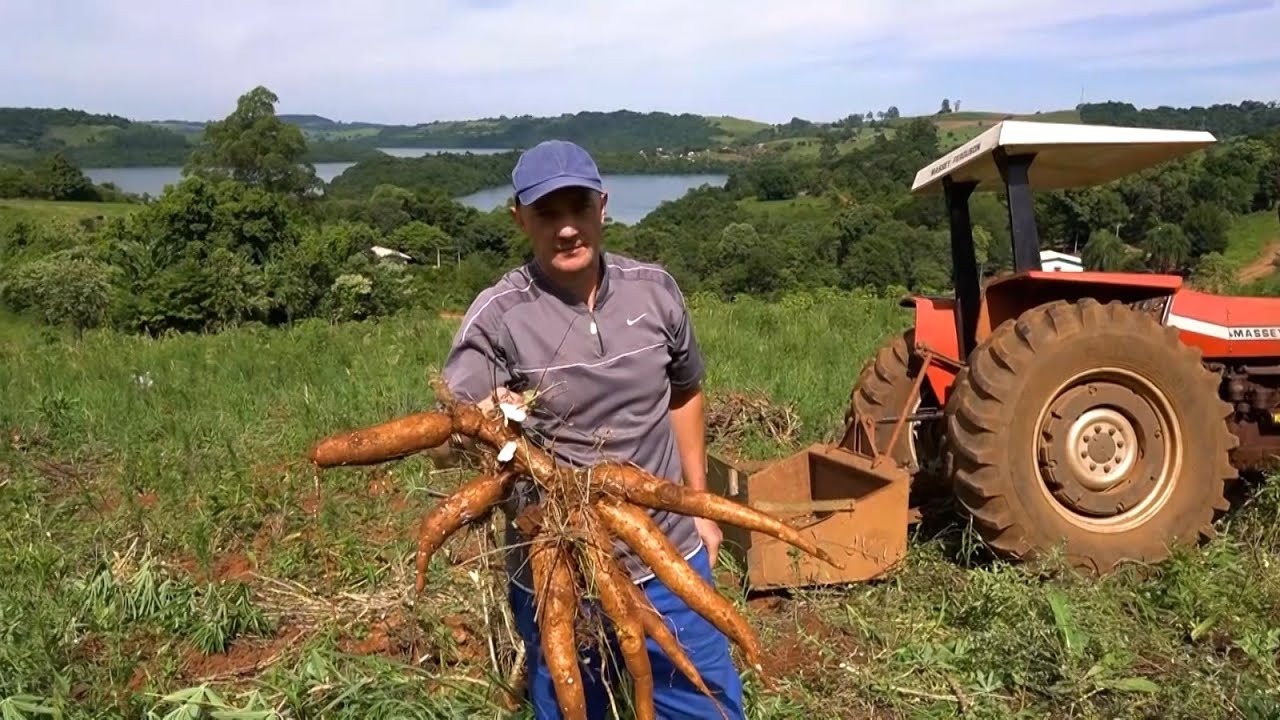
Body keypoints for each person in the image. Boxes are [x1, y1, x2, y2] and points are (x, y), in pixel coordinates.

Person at [439, 139, 746, 719]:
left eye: (578, 208)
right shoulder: (498, 315)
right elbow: (448, 437)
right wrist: (480, 421)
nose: (566, 230)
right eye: (547, 214)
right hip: (556, 568)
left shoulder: (656, 290)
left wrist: (702, 507)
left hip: (666, 555)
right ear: (519, 218)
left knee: (708, 703)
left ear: (603, 207)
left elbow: (685, 392)